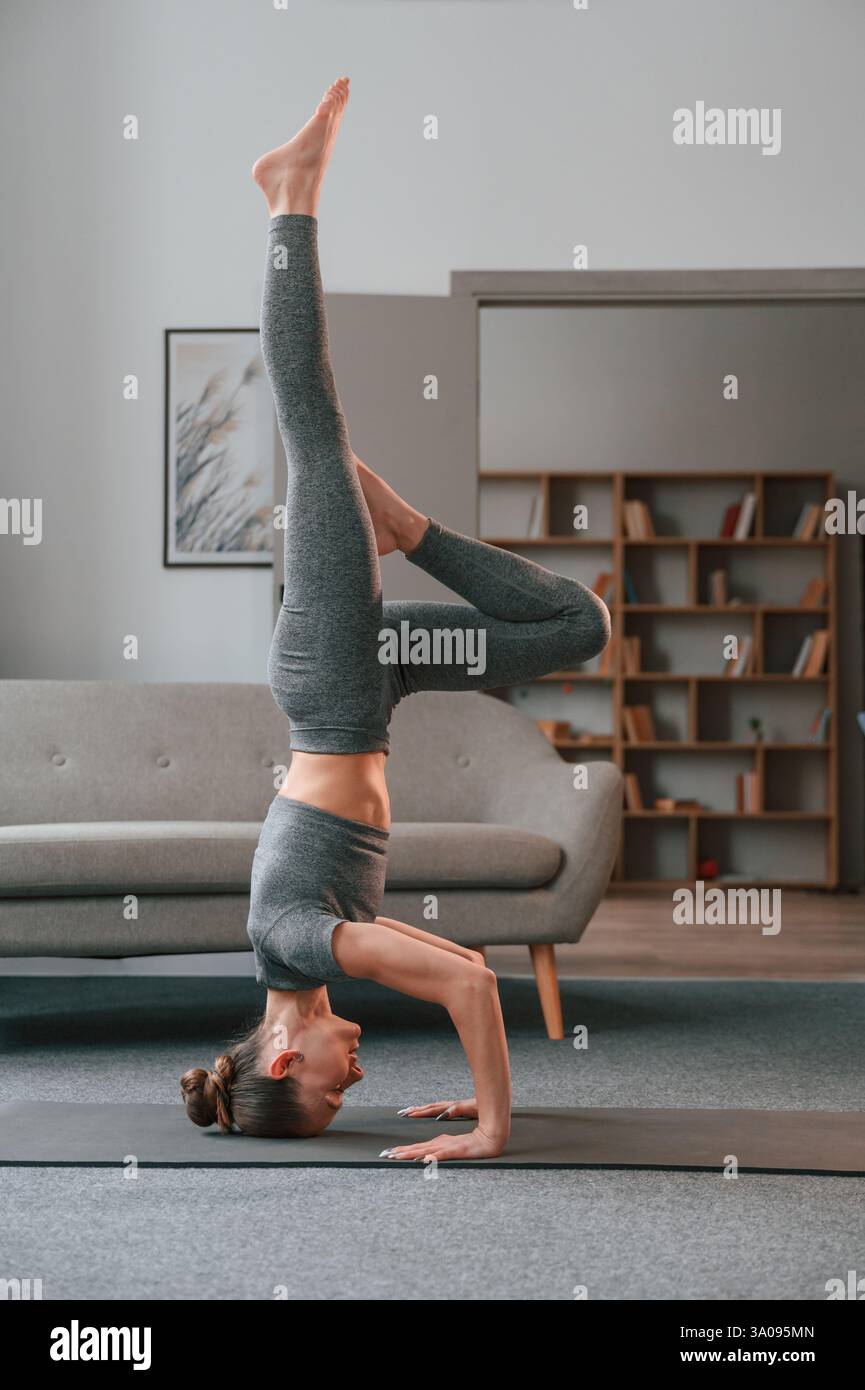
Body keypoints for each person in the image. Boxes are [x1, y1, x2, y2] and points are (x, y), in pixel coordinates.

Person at [180, 78, 609, 1160]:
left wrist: (492, 1128)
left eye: (330, 1092)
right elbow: (461, 962)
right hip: (377, 684)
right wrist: (479, 1092)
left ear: (284, 1059)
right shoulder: (310, 958)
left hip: (334, 680)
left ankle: (289, 200)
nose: (355, 1078)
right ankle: (405, 528)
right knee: (578, 630)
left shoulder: (293, 944)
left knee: (314, 423)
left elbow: (464, 981)